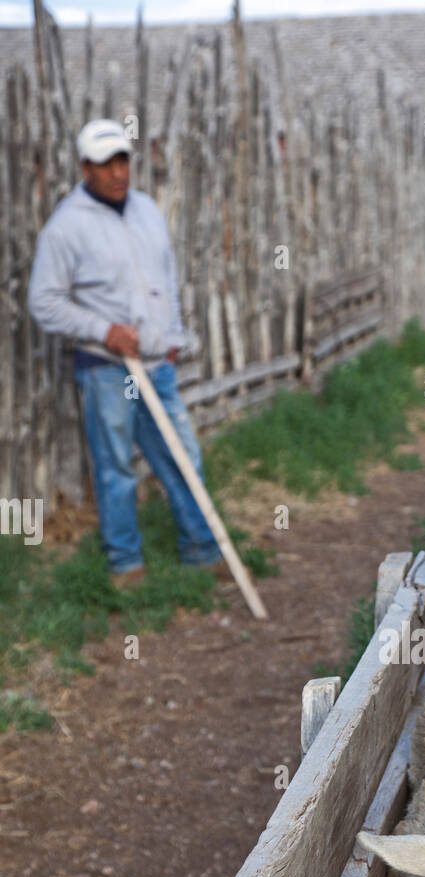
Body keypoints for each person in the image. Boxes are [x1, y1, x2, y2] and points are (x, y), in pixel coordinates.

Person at [28, 119, 224, 588]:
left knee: (181, 455)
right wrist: (103, 330)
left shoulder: (147, 211)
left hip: (156, 365)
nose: (117, 173)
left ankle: (202, 551)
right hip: (107, 369)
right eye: (104, 164)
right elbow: (44, 302)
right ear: (85, 168)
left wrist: (172, 337)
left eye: (122, 161)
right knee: (115, 465)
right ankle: (125, 564)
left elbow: (166, 279)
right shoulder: (66, 227)